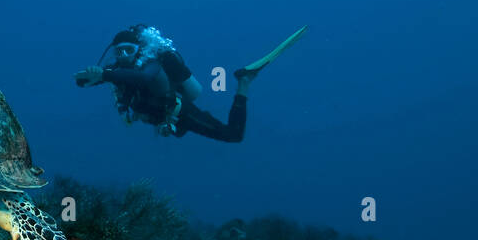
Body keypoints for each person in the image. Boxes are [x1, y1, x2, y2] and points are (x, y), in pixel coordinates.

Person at [74, 25, 308, 142]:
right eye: (119, 51)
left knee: (233, 135)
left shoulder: (152, 63)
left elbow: (144, 78)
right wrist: (89, 76)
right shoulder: (116, 70)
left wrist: (103, 75)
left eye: (129, 49)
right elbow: (82, 83)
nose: (124, 55)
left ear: (140, 50)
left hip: (179, 113)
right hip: (164, 120)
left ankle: (244, 82)